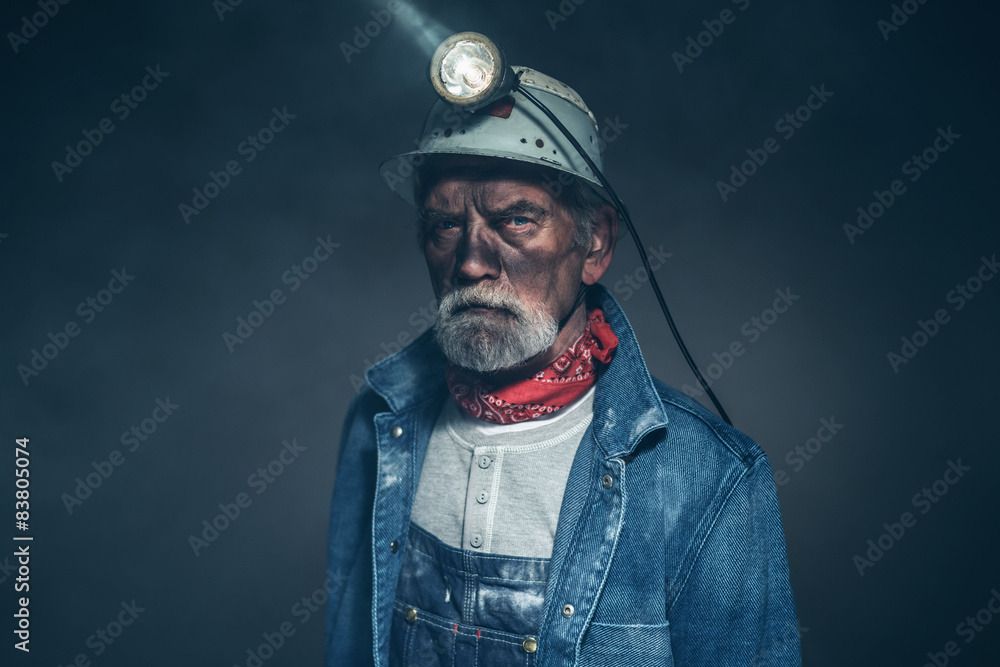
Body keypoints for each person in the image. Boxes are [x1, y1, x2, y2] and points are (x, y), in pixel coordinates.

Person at [325, 65, 801, 666]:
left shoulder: (710, 479)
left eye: (515, 220)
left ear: (595, 244)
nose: (471, 262)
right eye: (446, 224)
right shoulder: (378, 422)